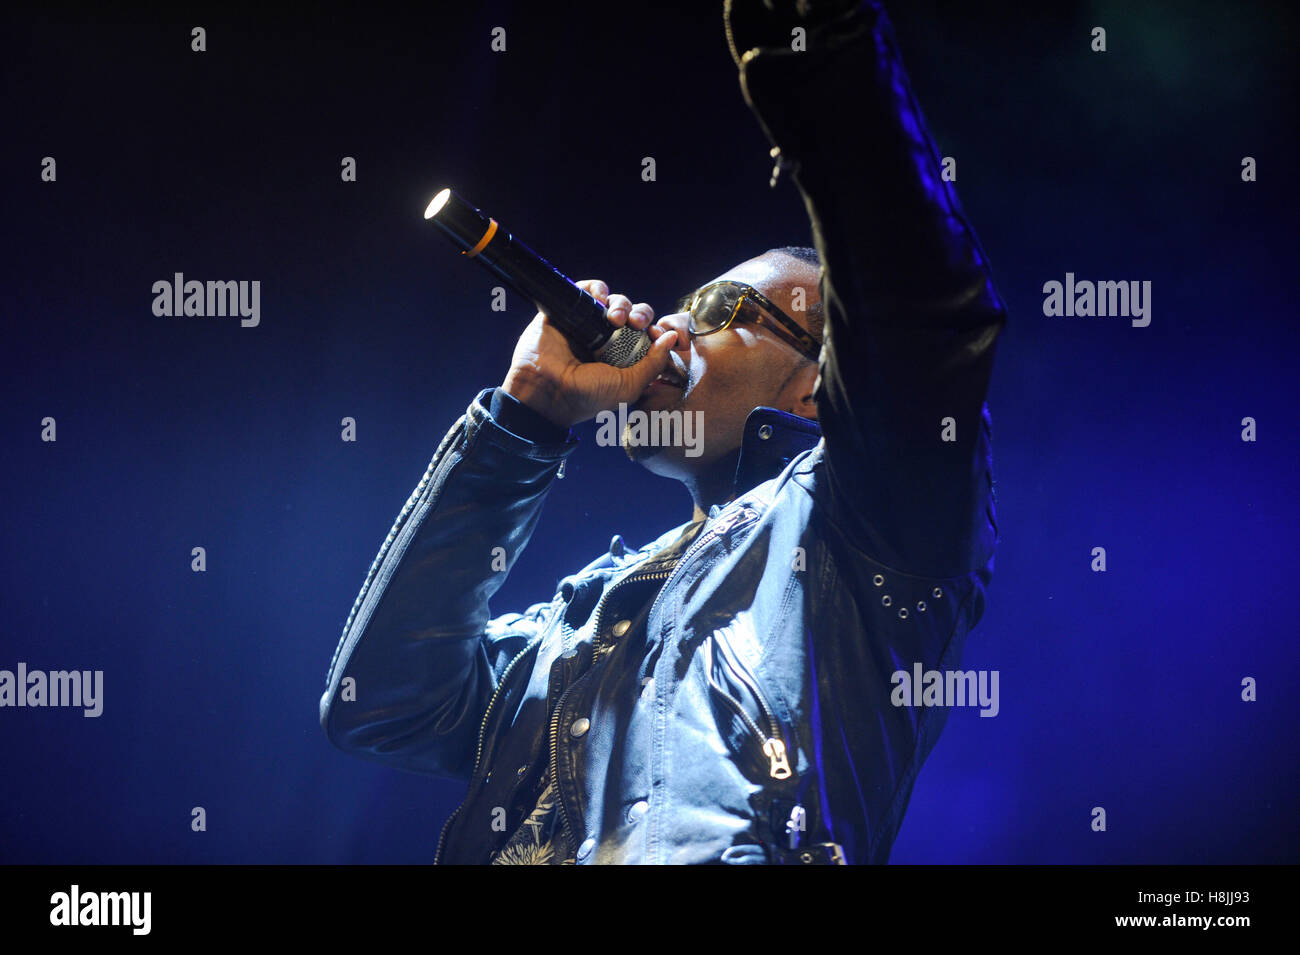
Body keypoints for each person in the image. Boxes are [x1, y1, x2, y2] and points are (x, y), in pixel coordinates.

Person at [320, 0, 1006, 865]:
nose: (669, 331)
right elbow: (381, 703)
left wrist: (819, 47)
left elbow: (919, 305)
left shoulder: (861, 518)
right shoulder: (584, 618)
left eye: (720, 310)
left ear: (815, 392)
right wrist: (524, 421)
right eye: (678, 307)